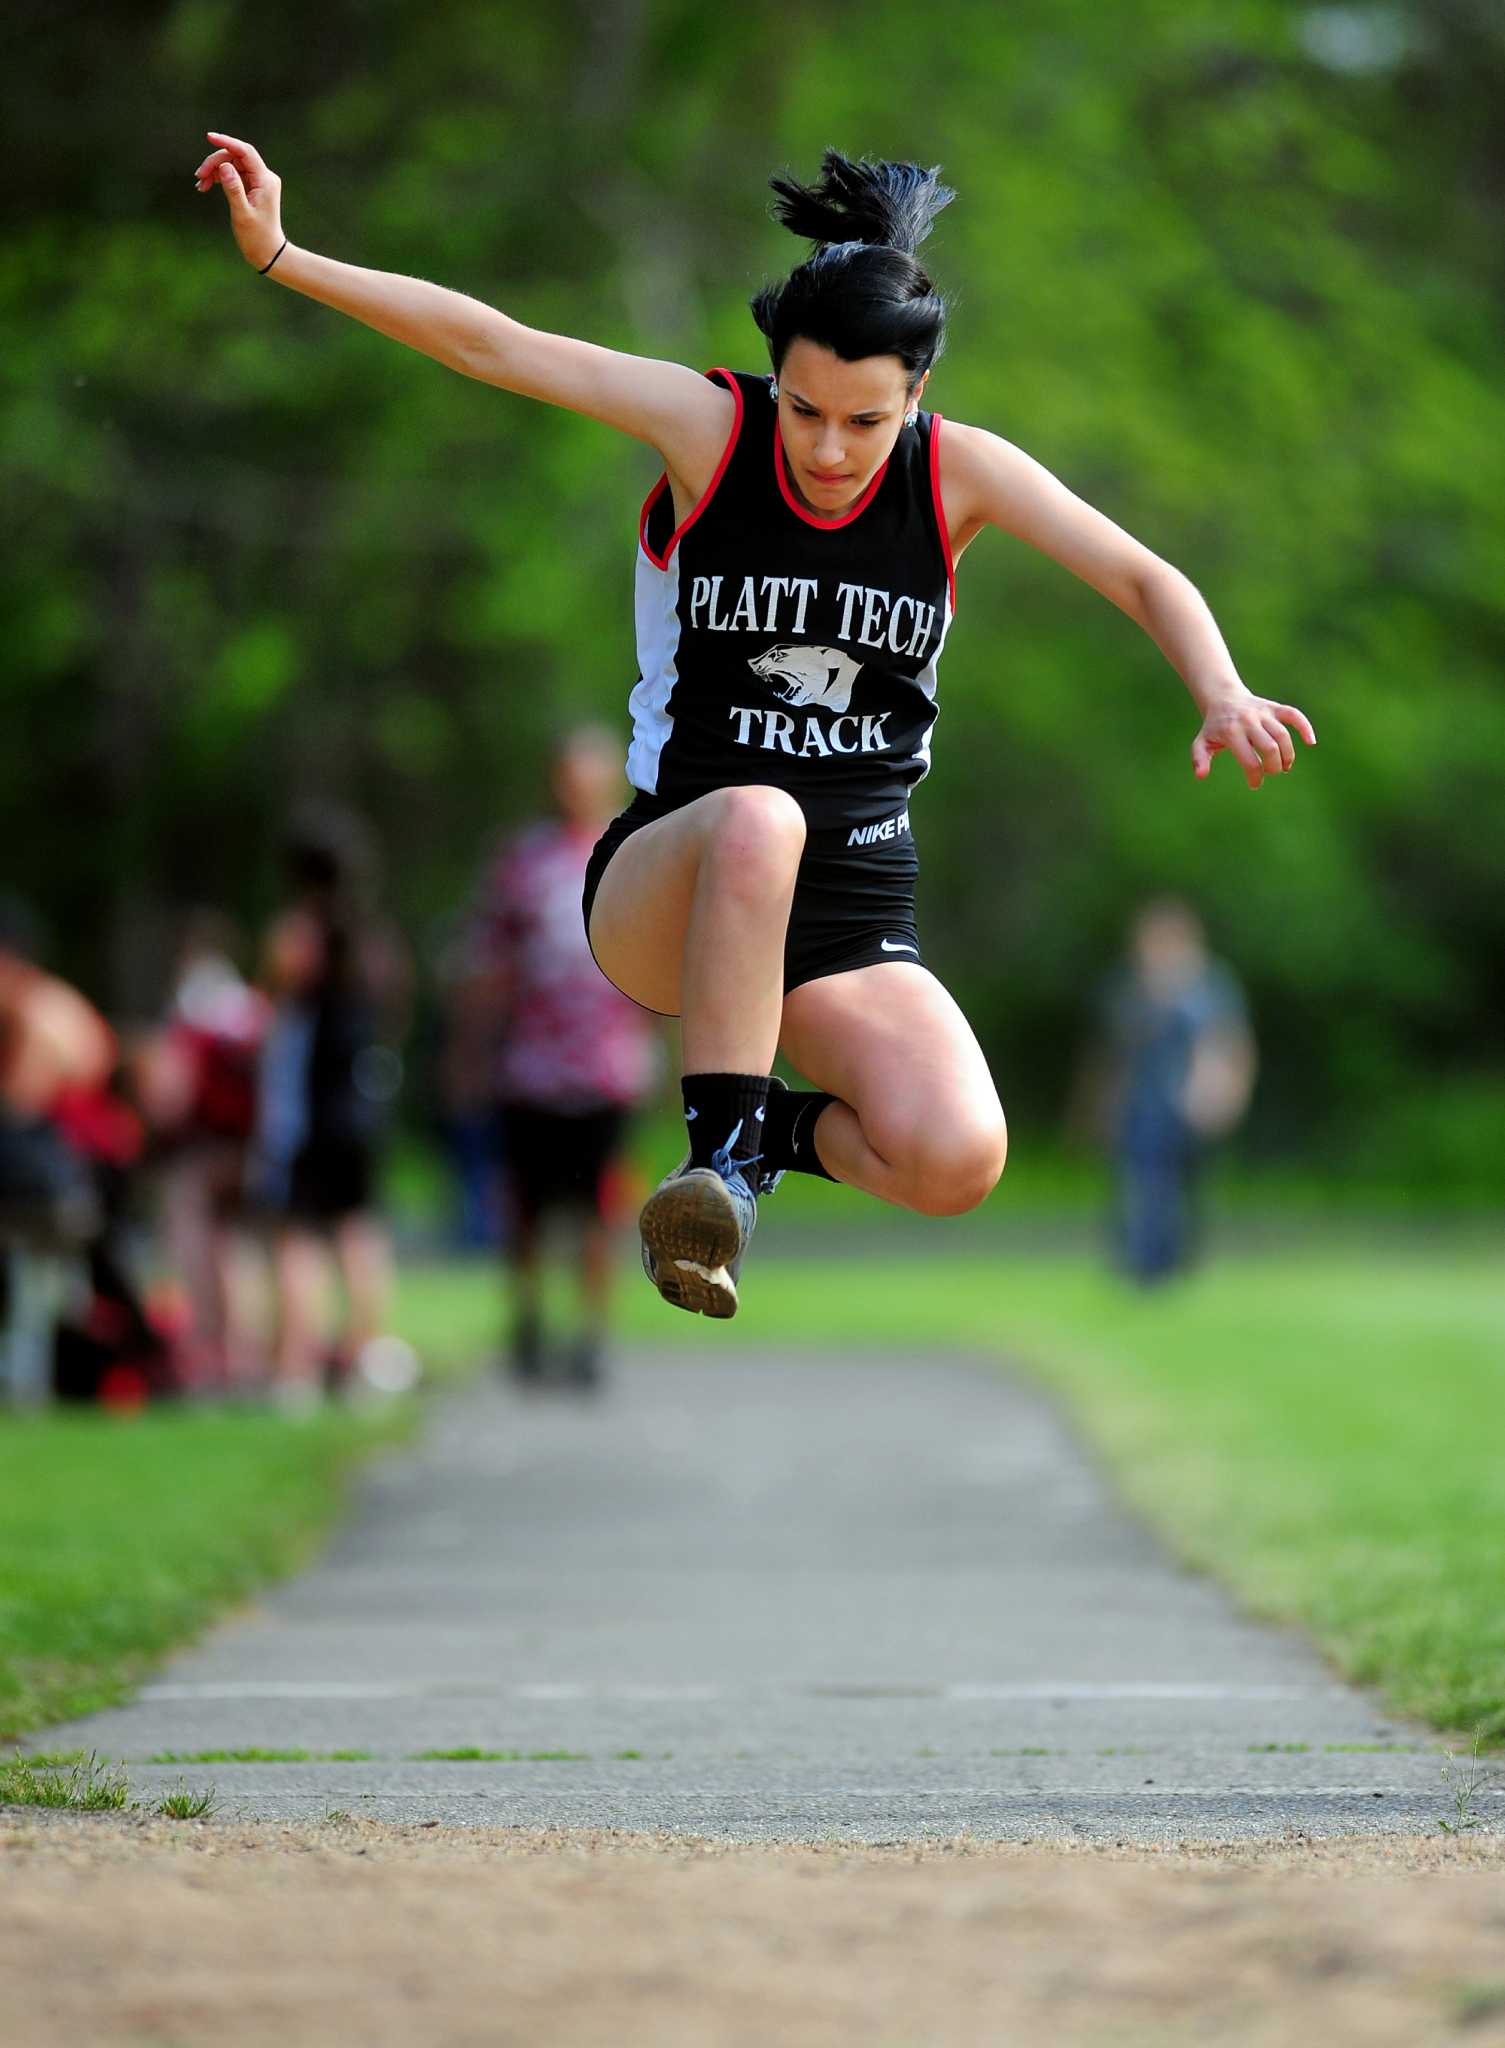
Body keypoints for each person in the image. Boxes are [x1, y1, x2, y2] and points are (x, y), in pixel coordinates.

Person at [196, 136, 1316, 1319]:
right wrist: (283, 255)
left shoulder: (958, 477)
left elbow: (1143, 577)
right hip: (675, 879)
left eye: (864, 421)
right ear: (772, 374)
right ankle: (713, 1164)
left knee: (954, 1157)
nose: (829, 450)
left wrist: (1221, 687)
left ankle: (766, 1136)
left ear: (916, 398)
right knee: (760, 813)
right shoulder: (710, 432)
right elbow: (498, 344)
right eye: (806, 409)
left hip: (846, 913)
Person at [458, 727, 660, 1386]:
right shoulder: (523, 860)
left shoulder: (634, 851)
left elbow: (660, 961)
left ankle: (592, 1332)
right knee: (527, 1208)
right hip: (531, 1069)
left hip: (606, 1069)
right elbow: (491, 962)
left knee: (599, 1208)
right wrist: (470, 1050)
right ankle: (528, 1320)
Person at [248, 807, 412, 1406]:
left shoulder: (298, 937)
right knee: (358, 1230)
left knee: (298, 1236)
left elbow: (266, 1012)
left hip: (310, 1111)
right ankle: (366, 1355)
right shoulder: (377, 942)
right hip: (366, 1106)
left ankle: (296, 1368)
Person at [1095, 899, 1257, 1283]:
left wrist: (1226, 1096)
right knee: (1141, 1184)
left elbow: (1229, 1044)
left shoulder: (1209, 987)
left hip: (1189, 1106)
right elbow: (1113, 1053)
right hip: (1141, 1106)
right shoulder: (1131, 988)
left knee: (1186, 1190)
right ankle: (1143, 1266)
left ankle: (1178, 1263)